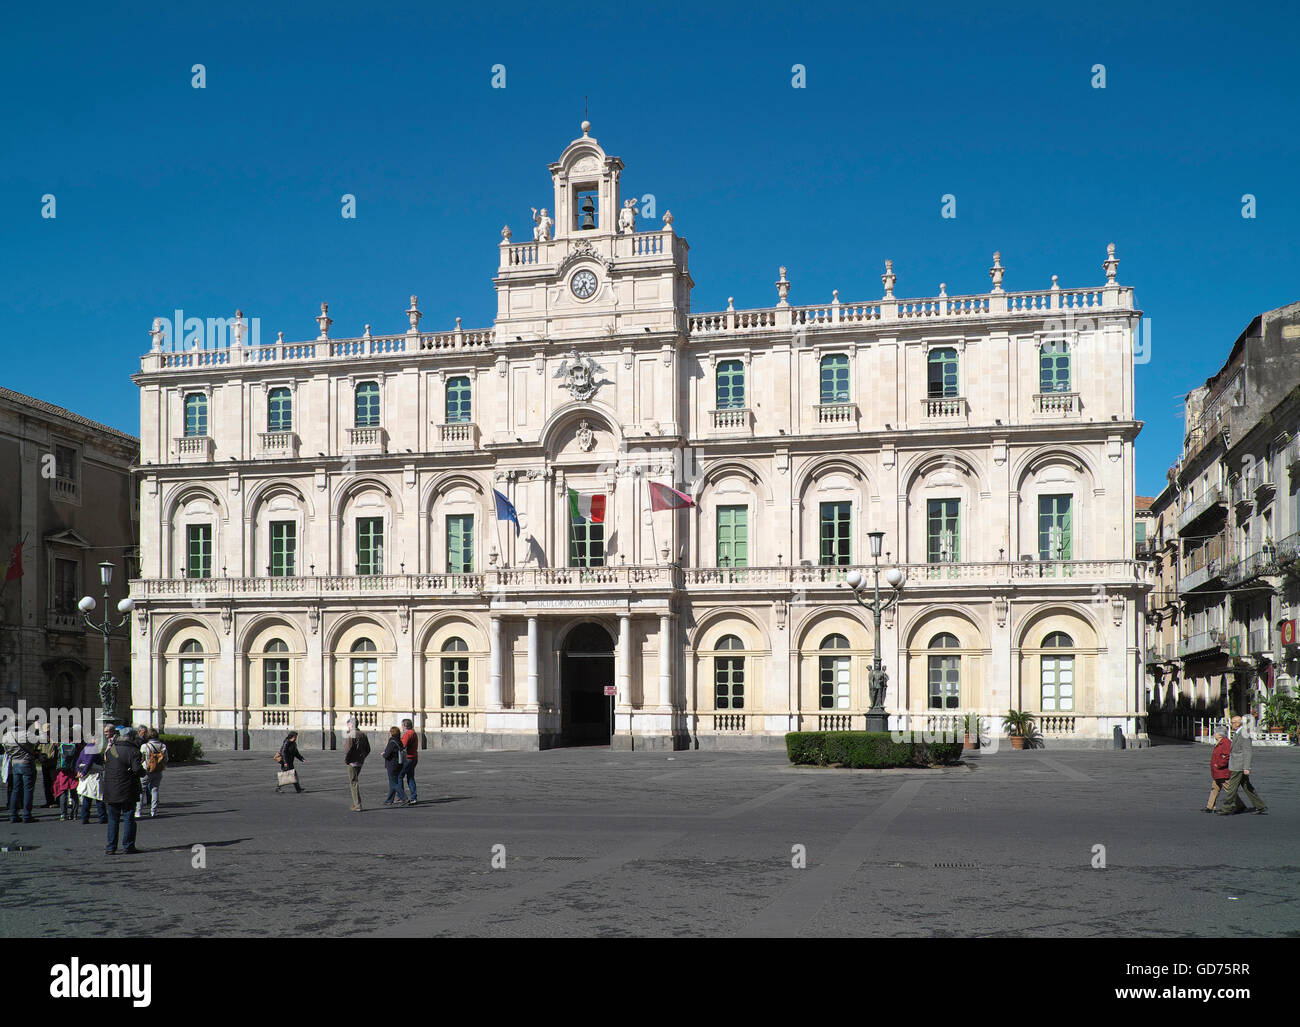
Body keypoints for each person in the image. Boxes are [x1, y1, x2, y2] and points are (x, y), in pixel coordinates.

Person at [102, 727, 143, 854]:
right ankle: (128, 845)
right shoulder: (133, 750)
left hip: (111, 788)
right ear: (131, 737)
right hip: (127, 788)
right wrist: (143, 771)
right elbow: (137, 770)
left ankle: (110, 847)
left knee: (113, 819)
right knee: (128, 817)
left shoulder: (112, 749)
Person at [1218, 714, 1269, 815]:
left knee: (1232, 787)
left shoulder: (1244, 734)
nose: (1231, 724)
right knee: (1246, 786)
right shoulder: (1238, 733)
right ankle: (1260, 805)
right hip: (1236, 764)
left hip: (1239, 766)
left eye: (1232, 722)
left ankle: (1227, 807)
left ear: (1237, 724)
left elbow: (1247, 751)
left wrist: (1246, 767)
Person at [2, 719, 39, 823]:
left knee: (16, 789)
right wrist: (38, 729)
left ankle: (13, 814)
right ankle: (26, 814)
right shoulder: (26, 734)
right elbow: (41, 739)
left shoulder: (5, 736)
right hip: (26, 762)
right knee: (28, 789)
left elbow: (6, 750)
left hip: (15, 762)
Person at [76, 727, 110, 824]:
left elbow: (78, 761)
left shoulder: (85, 748)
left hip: (85, 776)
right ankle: (102, 817)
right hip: (93, 775)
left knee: (86, 797)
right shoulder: (92, 748)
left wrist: (78, 771)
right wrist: (84, 772)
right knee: (99, 797)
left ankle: (84, 817)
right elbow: (89, 762)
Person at [137, 729, 167, 818]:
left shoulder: (144, 746)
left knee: (141, 790)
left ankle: (138, 811)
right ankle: (154, 811)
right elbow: (166, 759)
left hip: (146, 770)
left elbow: (141, 759)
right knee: (155, 789)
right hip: (158, 770)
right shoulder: (162, 746)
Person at [343, 717, 370, 812]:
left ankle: (357, 804)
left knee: (353, 782)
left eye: (348, 725)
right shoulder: (363, 734)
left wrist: (347, 760)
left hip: (352, 762)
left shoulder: (351, 735)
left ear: (351, 725)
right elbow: (368, 749)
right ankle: (356, 804)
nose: (347, 727)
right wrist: (362, 757)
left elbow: (348, 750)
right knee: (355, 780)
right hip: (360, 762)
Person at [1204, 723, 1231, 812]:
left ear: (1219, 734)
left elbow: (1226, 756)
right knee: (1215, 788)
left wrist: (1219, 765)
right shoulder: (1220, 742)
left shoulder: (1225, 743)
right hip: (1217, 771)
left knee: (1229, 790)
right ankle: (1210, 806)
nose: (1213, 734)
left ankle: (1239, 805)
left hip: (1222, 771)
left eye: (1215, 733)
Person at [53, 738, 81, 821]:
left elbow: (57, 758)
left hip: (63, 772)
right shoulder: (76, 746)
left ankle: (63, 814)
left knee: (63, 793)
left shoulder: (60, 746)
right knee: (74, 793)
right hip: (73, 772)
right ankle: (74, 814)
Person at [381, 726, 407, 806]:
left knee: (393, 783)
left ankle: (404, 797)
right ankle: (389, 800)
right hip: (399, 763)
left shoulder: (392, 742)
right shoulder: (399, 741)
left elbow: (387, 754)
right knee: (393, 782)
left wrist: (383, 754)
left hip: (392, 764)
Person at [36, 724, 59, 808]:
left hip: (54, 764)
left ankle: (57, 800)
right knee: (46, 783)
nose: (47, 734)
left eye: (48, 732)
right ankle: (49, 801)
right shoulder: (42, 740)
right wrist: (39, 756)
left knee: (55, 782)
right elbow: (37, 750)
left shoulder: (56, 739)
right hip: (45, 764)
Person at [399, 718, 419, 806]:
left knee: (399, 776)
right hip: (414, 757)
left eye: (402, 725)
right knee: (410, 777)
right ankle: (413, 797)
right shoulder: (413, 733)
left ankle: (401, 796)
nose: (401, 727)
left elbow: (402, 745)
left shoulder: (407, 734)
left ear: (404, 726)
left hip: (408, 758)